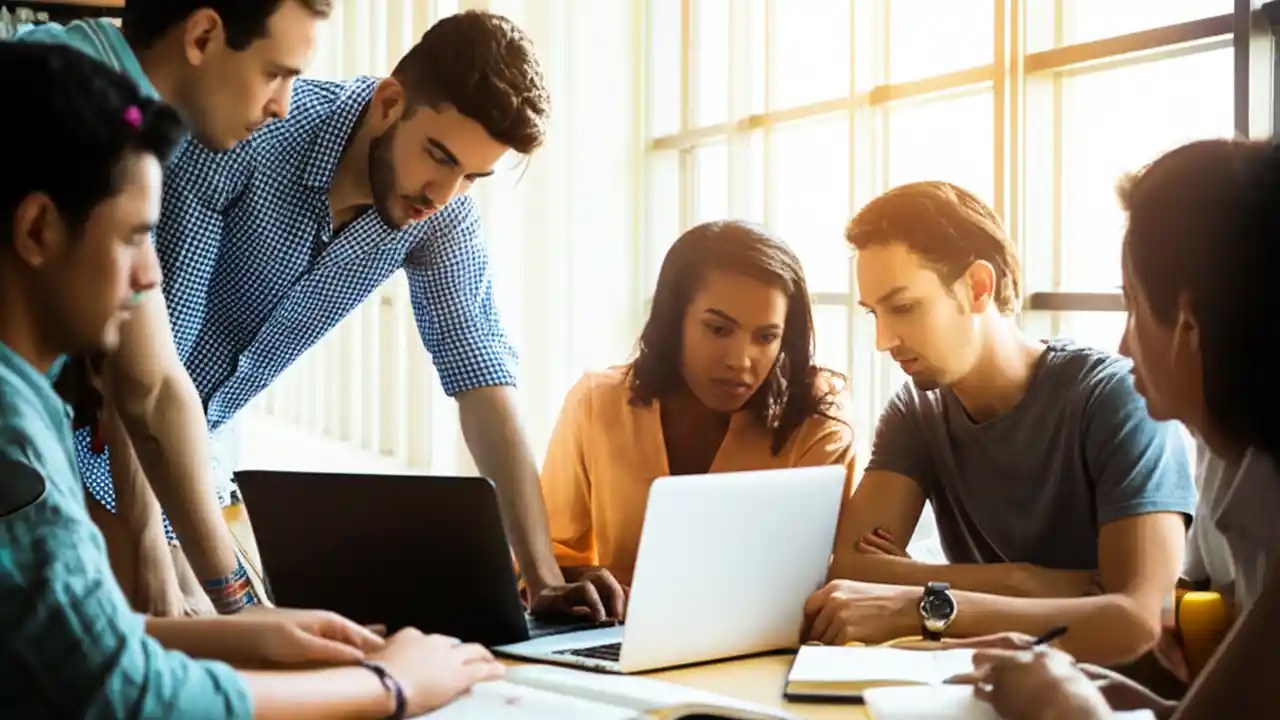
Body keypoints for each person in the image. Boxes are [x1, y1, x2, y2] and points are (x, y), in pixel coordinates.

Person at [0, 41, 503, 719]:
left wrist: (238, 627)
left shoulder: (27, 404)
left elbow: (50, 639)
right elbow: (114, 689)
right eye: (133, 239)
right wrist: (388, 688)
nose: (152, 279)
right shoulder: (13, 433)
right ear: (36, 229)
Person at [79, 8, 619, 620]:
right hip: (95, 426)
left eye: (474, 176)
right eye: (438, 156)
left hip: (195, 450)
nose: (444, 194)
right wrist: (158, 554)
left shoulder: (442, 212)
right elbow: (143, 371)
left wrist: (543, 579)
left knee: (240, 639)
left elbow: (483, 378)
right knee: (173, 630)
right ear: (390, 103)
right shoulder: (244, 132)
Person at [12, 0, 332, 614]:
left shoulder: (102, 90)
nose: (282, 107)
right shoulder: (76, 115)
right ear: (204, 34)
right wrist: (241, 608)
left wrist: (160, 554)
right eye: (275, 73)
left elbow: (132, 375)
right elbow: (150, 386)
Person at [947, 138, 1280, 720]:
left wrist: (1064, 707)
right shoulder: (1228, 459)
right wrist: (1107, 694)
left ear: (1188, 319)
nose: (1125, 344)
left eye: (1131, 304)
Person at [803, 181, 1195, 665]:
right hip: (988, 686)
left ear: (977, 287)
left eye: (903, 307)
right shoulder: (917, 411)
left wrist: (922, 600)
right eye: (874, 313)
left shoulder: (1113, 398)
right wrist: (1027, 581)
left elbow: (1134, 623)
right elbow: (851, 571)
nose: (884, 340)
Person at [540, 220, 855, 597]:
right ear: (675, 320)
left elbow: (836, 576)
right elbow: (549, 555)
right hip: (613, 638)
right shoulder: (598, 403)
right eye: (718, 329)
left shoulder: (817, 419)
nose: (740, 361)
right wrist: (579, 580)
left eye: (766, 337)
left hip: (768, 645)